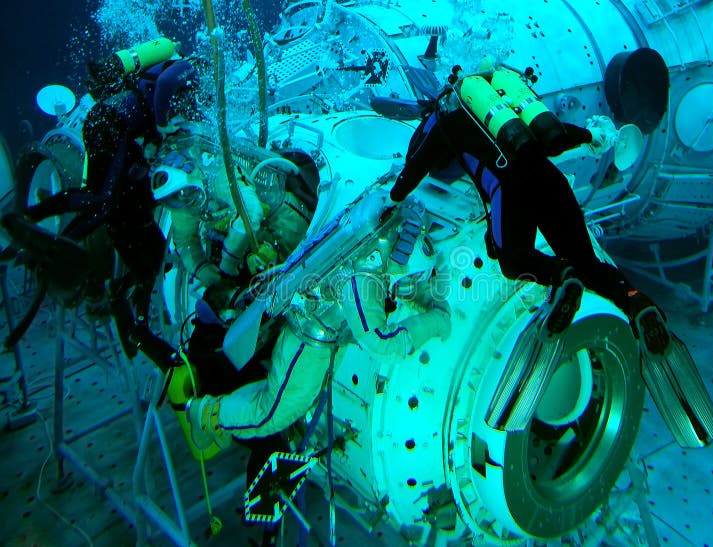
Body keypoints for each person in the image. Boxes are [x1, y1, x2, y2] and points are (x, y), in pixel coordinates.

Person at [388, 64, 670, 355]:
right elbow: (558, 137)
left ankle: (562, 277)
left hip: (510, 191)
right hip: (550, 180)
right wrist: (589, 136)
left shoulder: (448, 121)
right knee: (588, 263)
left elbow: (415, 166)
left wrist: (394, 199)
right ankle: (635, 301)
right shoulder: (514, 114)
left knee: (514, 261)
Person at [185, 205, 451, 449]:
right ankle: (210, 415)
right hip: (308, 340)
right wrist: (438, 321)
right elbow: (382, 342)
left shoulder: (388, 239)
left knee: (286, 400)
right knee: (273, 413)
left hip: (323, 333)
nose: (408, 287)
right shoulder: (362, 279)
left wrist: (435, 307)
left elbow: (410, 282)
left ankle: (224, 411)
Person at [6, 53, 203, 371]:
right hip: (114, 125)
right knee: (104, 202)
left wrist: (158, 136)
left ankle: (37, 216)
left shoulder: (151, 84)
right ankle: (56, 233)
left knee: (107, 203)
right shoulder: (185, 68)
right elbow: (166, 86)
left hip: (105, 123)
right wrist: (164, 127)